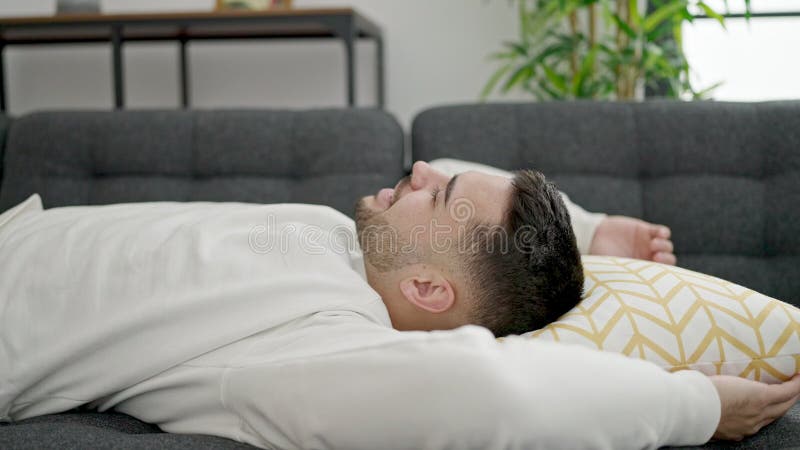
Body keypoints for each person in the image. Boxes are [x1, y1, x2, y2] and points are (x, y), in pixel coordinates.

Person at [0, 160, 797, 449]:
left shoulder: (315, 346)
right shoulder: (341, 240)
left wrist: (696, 405)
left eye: (436, 194)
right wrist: (588, 232)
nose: (419, 166)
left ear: (426, 290)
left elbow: (492, 391)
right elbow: (461, 177)